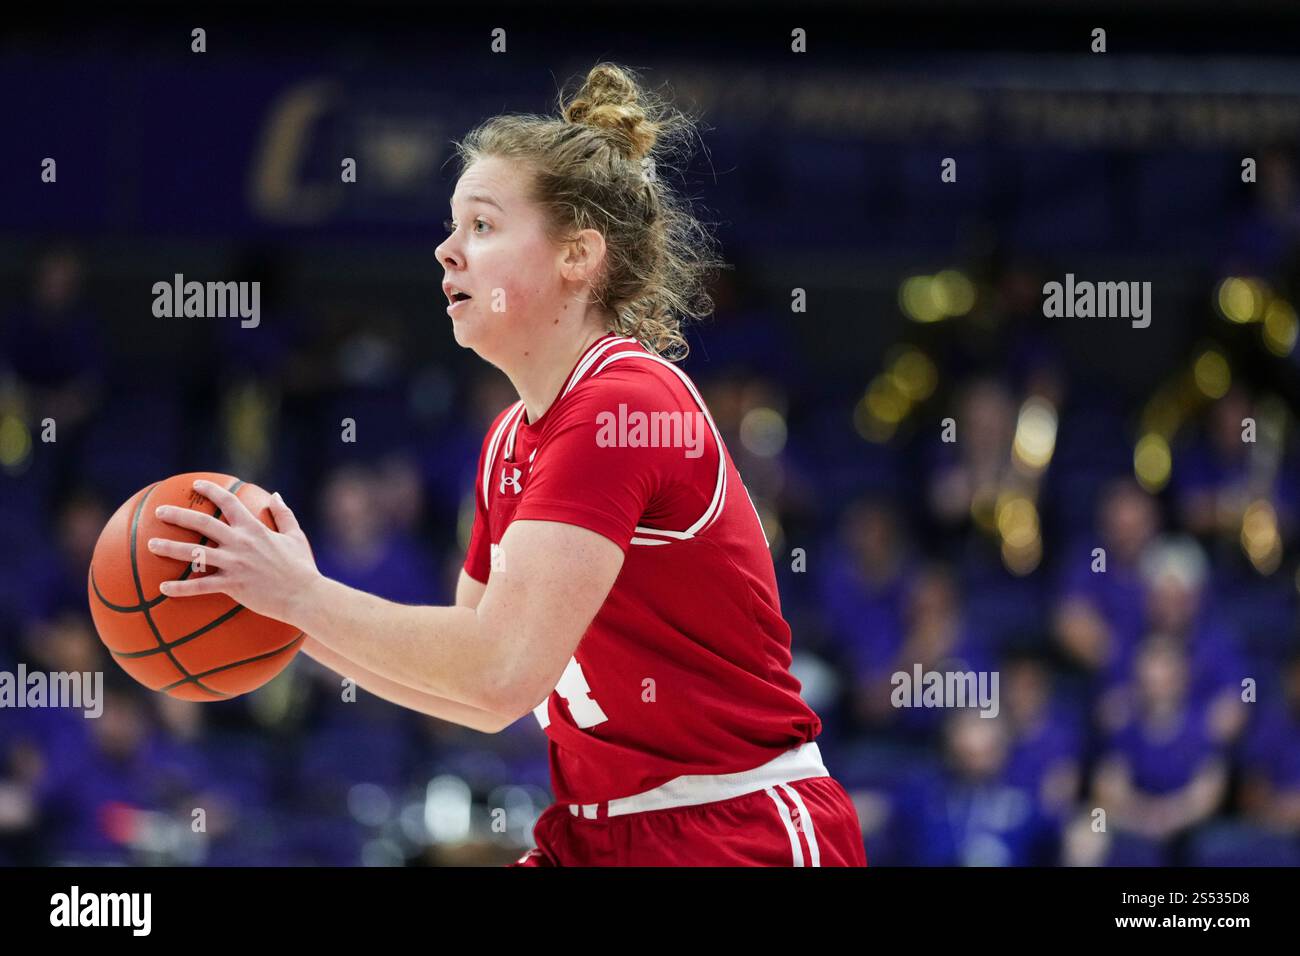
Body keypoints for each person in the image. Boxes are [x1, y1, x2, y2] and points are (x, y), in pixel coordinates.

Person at [147, 63, 866, 867]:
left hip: (733, 827)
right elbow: (478, 696)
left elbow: (498, 673)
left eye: (482, 227)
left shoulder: (621, 408)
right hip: (598, 832)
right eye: (453, 228)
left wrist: (302, 595)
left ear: (578, 257)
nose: (447, 251)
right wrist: (289, 615)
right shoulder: (506, 444)